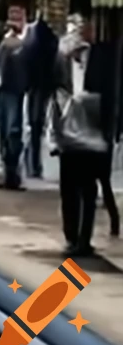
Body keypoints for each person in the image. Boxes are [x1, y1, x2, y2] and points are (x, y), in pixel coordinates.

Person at [52, 26, 108, 257]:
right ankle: (71, 237)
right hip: (68, 135)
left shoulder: (100, 61)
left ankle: (84, 240)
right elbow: (54, 95)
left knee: (88, 189)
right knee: (68, 189)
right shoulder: (61, 64)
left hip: (92, 135)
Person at [82, 31, 121, 238]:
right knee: (101, 179)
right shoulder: (105, 52)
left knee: (95, 180)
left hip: (99, 121)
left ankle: (89, 234)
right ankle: (113, 220)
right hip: (102, 121)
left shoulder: (101, 53)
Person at [0, 7, 29, 189]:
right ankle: (12, 174)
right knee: (13, 132)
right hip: (14, 92)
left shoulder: (6, 44)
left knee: (7, 131)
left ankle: (10, 172)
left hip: (7, 91)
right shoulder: (15, 45)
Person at [22, 15, 60, 179]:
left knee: (33, 126)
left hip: (34, 87)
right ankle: (34, 165)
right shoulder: (51, 41)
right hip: (44, 87)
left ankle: (31, 164)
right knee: (38, 126)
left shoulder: (30, 39)